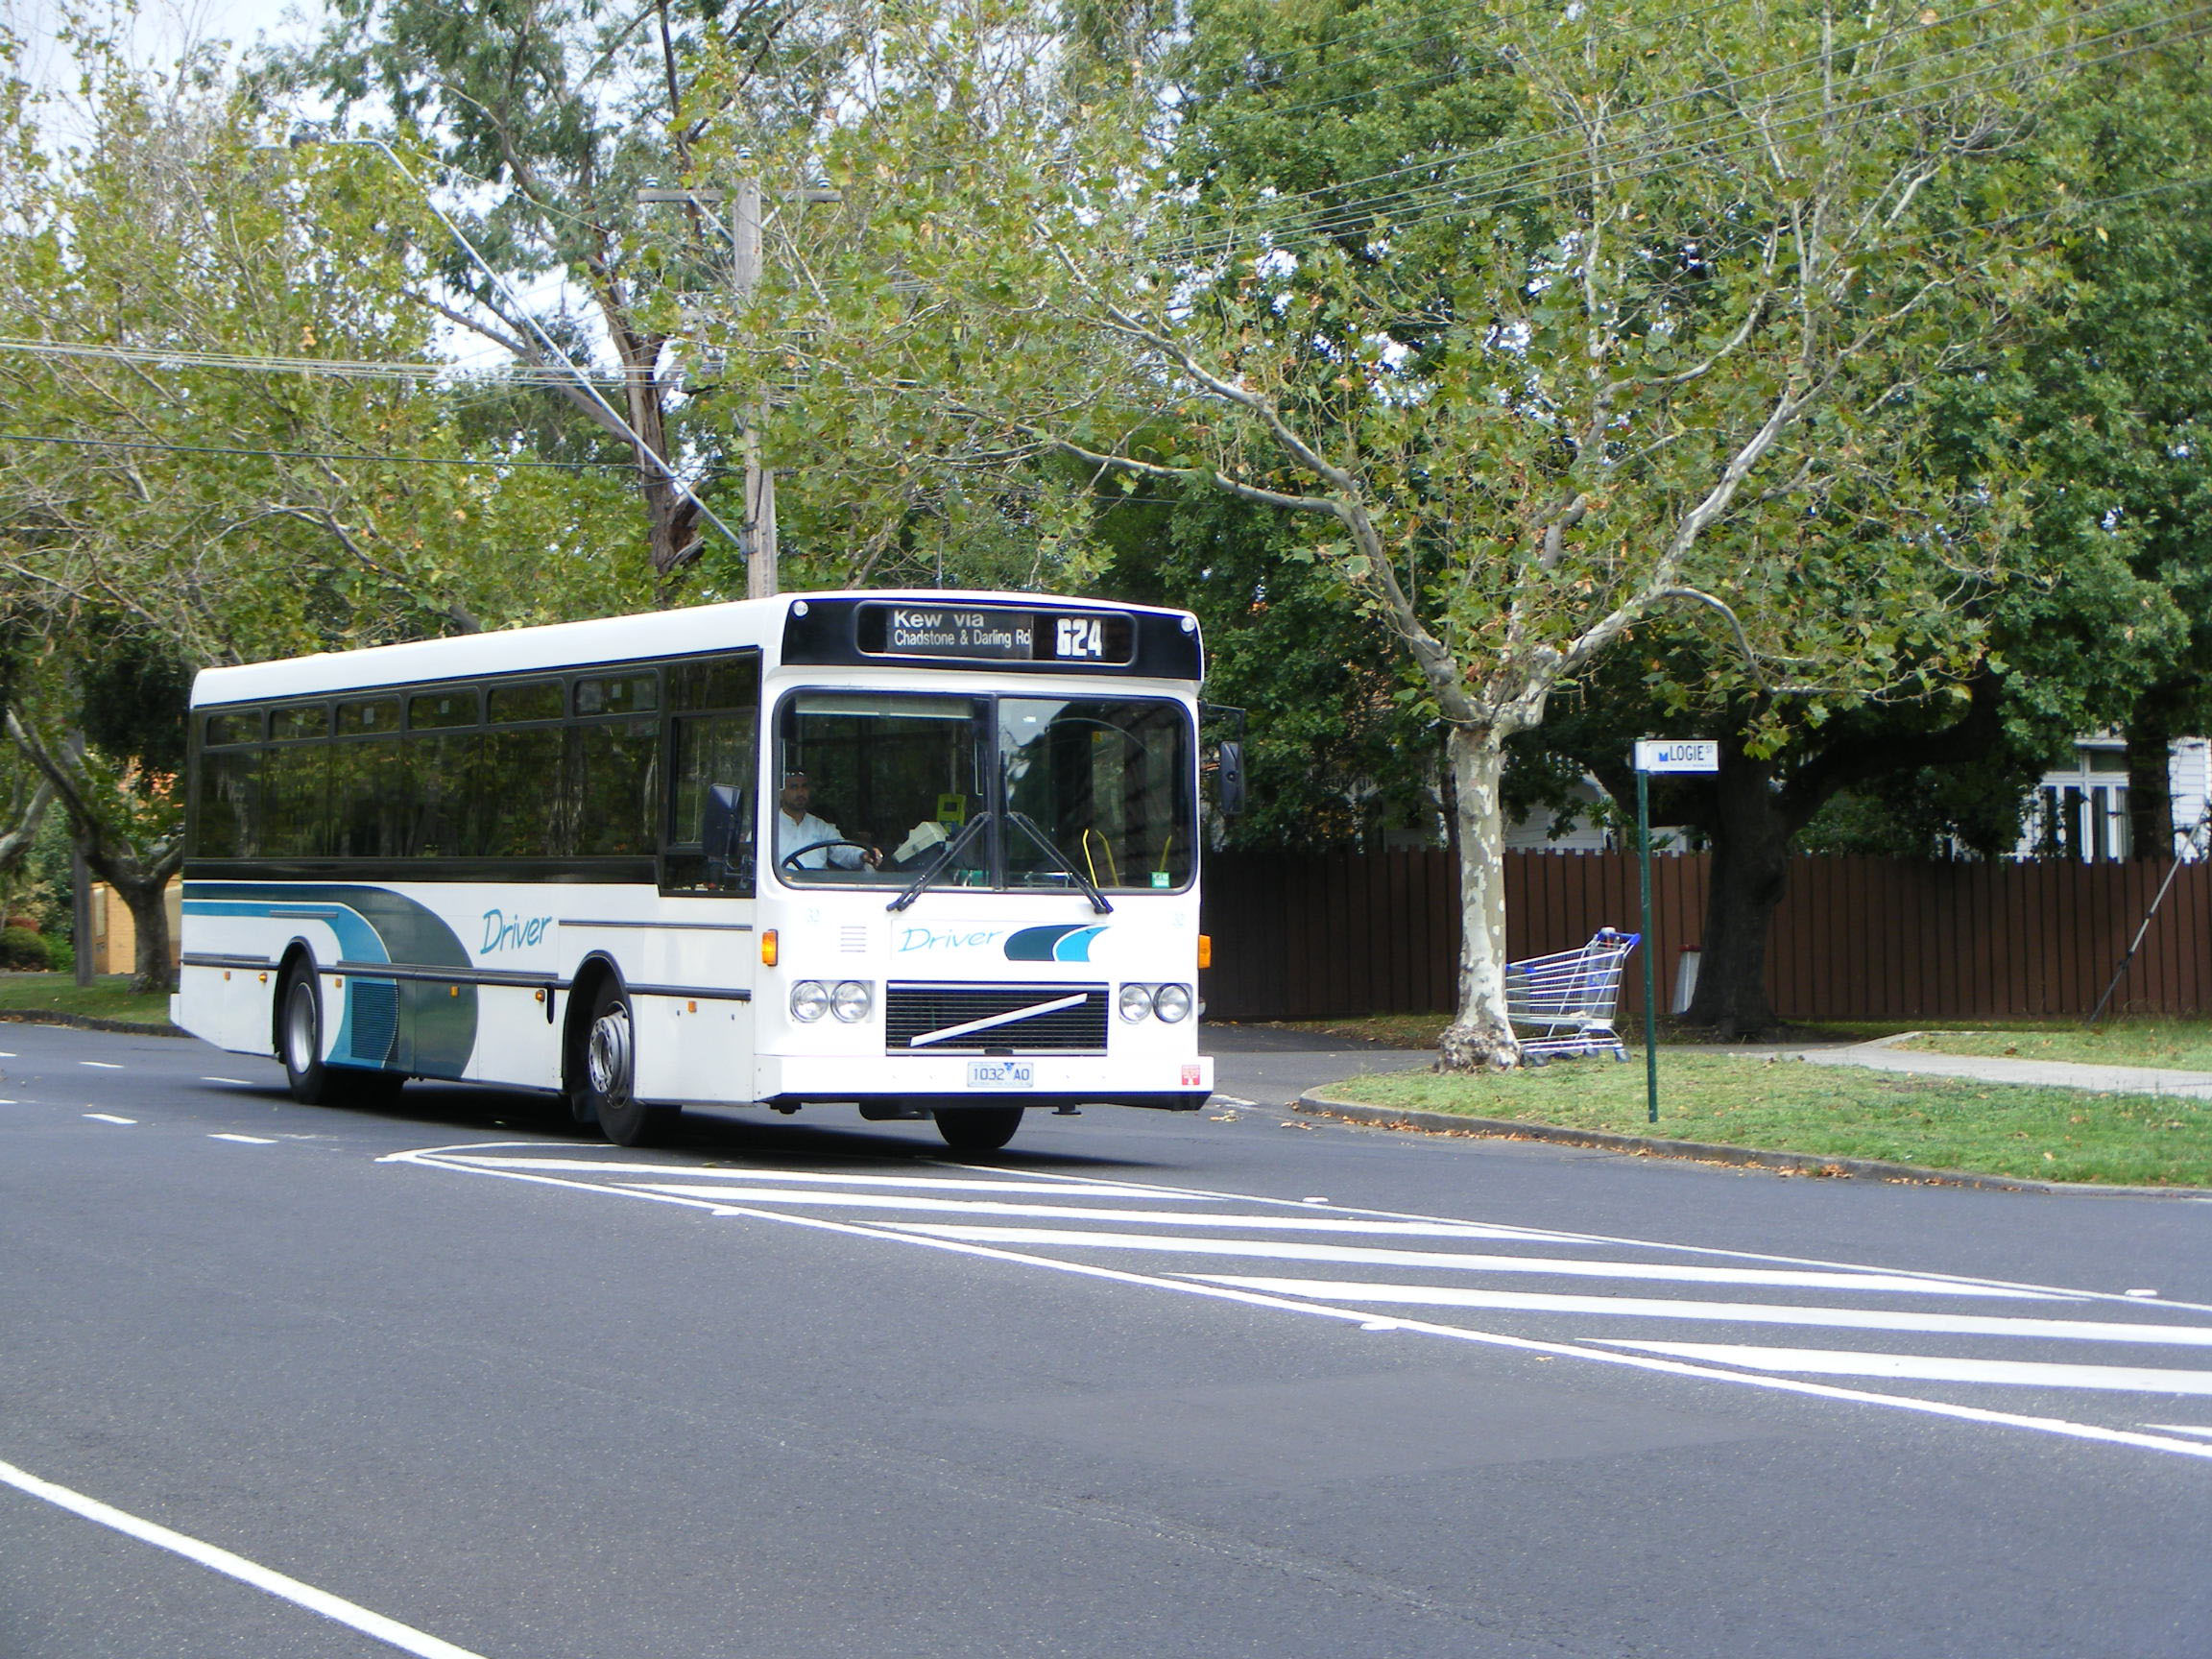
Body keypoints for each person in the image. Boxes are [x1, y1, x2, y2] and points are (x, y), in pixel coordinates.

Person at [775, 772, 878, 869]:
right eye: (793, 787)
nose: (800, 792)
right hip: (781, 886)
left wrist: (863, 855)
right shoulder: (770, 827)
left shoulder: (821, 827)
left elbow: (842, 849)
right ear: (781, 792)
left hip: (816, 885)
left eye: (804, 787)